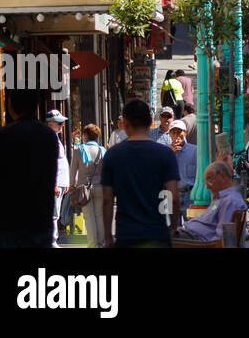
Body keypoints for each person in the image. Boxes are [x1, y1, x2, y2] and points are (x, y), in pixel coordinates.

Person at [99, 98, 181, 247]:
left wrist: (108, 237)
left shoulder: (112, 155)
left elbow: (107, 200)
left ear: (125, 123)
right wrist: (173, 227)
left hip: (126, 234)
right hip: (157, 234)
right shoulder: (165, 154)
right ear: (150, 121)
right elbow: (173, 197)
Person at [0, 89, 59, 248]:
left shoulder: (4, 136)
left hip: (11, 221)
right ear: (36, 105)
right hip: (40, 220)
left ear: (10, 105)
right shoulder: (49, 136)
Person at [174, 162, 248, 243]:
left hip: (195, 240)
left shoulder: (230, 201)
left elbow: (220, 238)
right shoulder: (221, 198)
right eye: (206, 182)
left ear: (222, 176)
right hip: (190, 236)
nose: (207, 186)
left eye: (209, 179)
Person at [71, 124, 106, 248]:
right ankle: (101, 243)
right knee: (99, 216)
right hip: (100, 186)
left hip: (83, 188)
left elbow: (73, 170)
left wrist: (71, 185)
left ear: (85, 135)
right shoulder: (102, 150)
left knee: (89, 217)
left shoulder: (78, 149)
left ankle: (92, 244)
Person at [46, 110, 70, 245]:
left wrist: (64, 182)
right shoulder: (50, 139)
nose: (62, 125)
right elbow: (51, 162)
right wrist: (54, 183)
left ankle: (52, 240)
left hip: (60, 182)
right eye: (59, 123)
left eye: (62, 122)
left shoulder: (54, 138)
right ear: (50, 124)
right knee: (53, 214)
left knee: (55, 213)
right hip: (56, 182)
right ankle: (52, 241)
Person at [168, 121, 197, 203]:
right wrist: (171, 154)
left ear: (185, 133)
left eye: (179, 132)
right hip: (172, 195)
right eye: (173, 132)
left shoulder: (194, 150)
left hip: (190, 195)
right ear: (169, 134)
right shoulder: (166, 152)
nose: (176, 135)